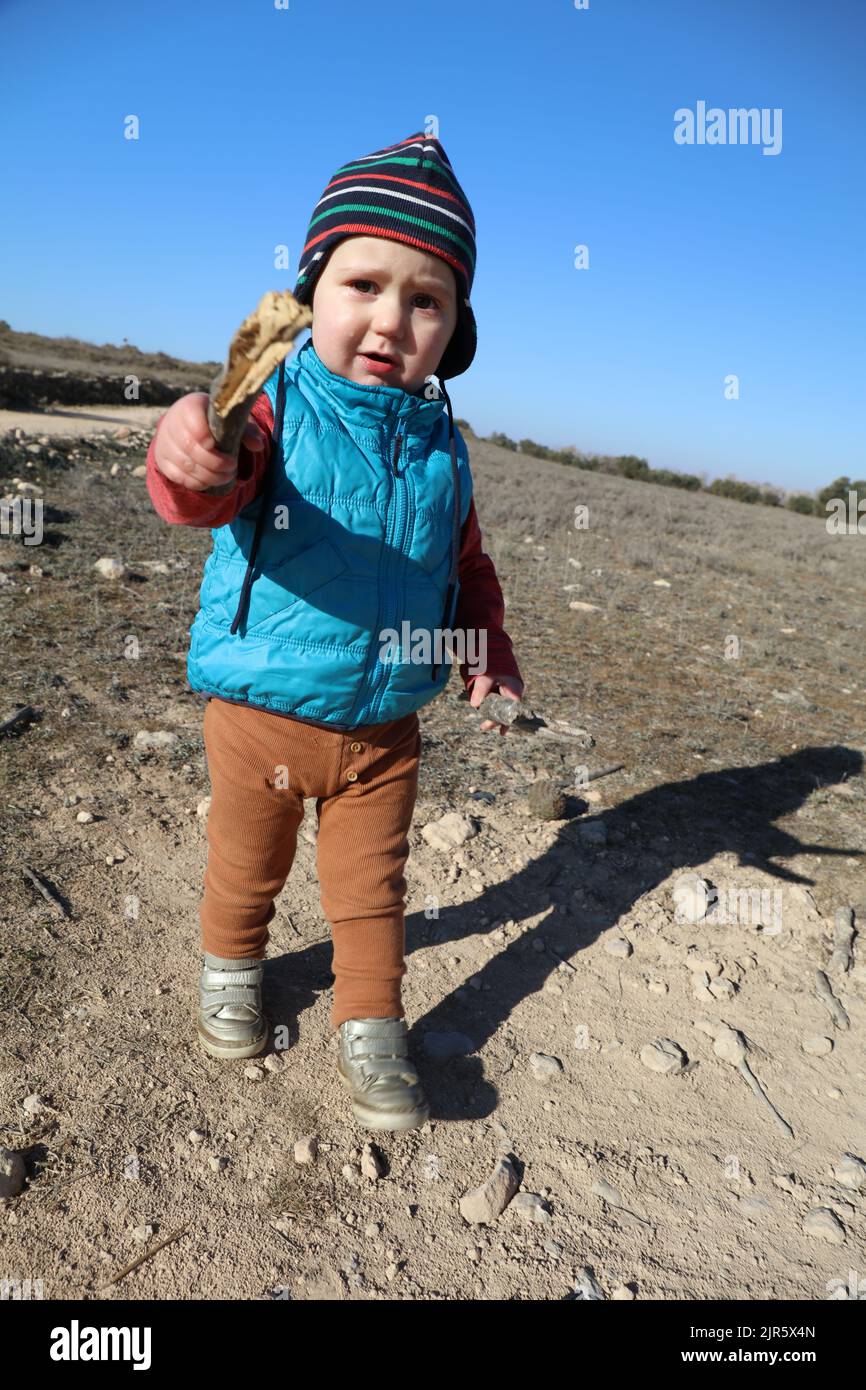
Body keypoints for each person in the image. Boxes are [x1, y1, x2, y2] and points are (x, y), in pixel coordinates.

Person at [145, 131, 524, 1131]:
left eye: (425, 298)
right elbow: (207, 489)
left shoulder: (446, 451)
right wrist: (192, 450)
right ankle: (231, 974)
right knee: (246, 865)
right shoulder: (269, 410)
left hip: (384, 733)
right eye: (363, 284)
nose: (390, 319)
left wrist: (483, 649)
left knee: (371, 891)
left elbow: (465, 570)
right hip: (262, 712)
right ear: (312, 291)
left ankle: (371, 1024)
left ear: (454, 328)